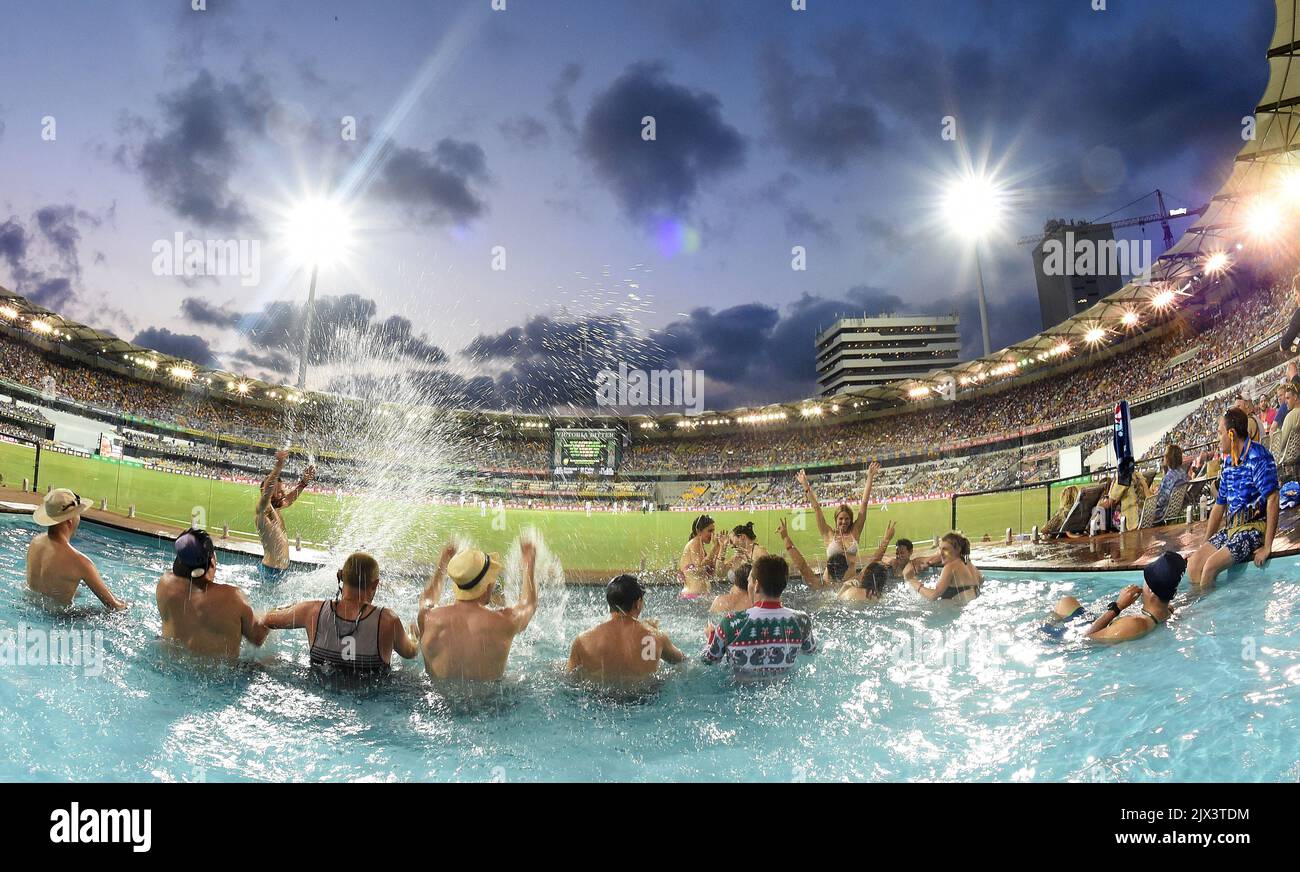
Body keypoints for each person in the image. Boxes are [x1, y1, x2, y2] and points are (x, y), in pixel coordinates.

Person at [263, 552, 419, 678]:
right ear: (375, 584)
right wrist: (413, 634)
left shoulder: (312, 611)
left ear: (341, 577)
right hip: (371, 700)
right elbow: (410, 653)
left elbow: (268, 620)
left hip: (320, 691)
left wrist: (289, 607)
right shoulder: (387, 620)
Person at [414, 542, 538, 681]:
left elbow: (428, 598)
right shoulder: (505, 621)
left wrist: (443, 561)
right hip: (490, 701)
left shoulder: (427, 617)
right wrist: (529, 562)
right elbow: (529, 604)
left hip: (435, 699)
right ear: (488, 585)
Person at [1187, 408, 1280, 589]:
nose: (1218, 438)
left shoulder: (1258, 456)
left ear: (1231, 434)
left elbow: (1273, 498)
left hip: (1254, 530)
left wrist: (1268, 546)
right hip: (1233, 529)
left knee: (1210, 568)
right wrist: (1205, 542)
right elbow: (1219, 506)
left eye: (1220, 433)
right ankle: (1202, 603)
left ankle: (1207, 612)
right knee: (1194, 564)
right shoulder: (1229, 462)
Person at [156, 528, 268, 659]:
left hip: (171, 662)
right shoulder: (232, 597)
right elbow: (257, 638)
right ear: (213, 561)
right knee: (270, 662)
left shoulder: (164, 584)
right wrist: (271, 617)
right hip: (220, 675)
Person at [703, 554, 817, 680]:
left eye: (749, 581)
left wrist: (711, 636)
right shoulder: (801, 620)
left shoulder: (731, 622)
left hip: (740, 693)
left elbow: (708, 661)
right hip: (783, 689)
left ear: (756, 585)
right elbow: (810, 652)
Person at [1041, 551, 1184, 643]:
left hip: (1074, 638)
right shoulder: (1168, 611)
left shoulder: (1135, 624)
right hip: (1097, 625)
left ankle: (1042, 627)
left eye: (1145, 581)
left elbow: (1086, 639)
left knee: (1053, 614)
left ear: (1151, 591)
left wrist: (1118, 606)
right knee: (1066, 601)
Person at [567, 574, 685, 682]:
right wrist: (652, 631)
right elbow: (681, 660)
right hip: (645, 700)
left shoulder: (583, 640)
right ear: (638, 603)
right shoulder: (656, 637)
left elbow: (570, 677)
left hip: (600, 699)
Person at [25, 488, 126, 610]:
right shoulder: (81, 562)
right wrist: (129, 605)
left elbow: (46, 589)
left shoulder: (35, 542)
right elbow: (113, 605)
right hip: (60, 619)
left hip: (29, 605)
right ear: (70, 519)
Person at [796, 461, 880, 580]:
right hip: (829, 587)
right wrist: (805, 485)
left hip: (849, 585)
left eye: (847, 519)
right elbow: (816, 509)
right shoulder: (828, 533)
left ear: (851, 520)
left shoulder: (855, 531)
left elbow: (864, 504)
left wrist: (870, 477)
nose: (844, 522)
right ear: (836, 519)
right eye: (841, 519)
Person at [256, 449, 315, 579]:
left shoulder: (275, 510)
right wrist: (278, 466)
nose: (283, 494)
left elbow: (289, 499)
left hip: (279, 571)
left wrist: (304, 483)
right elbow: (266, 492)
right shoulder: (264, 510)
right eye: (280, 491)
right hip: (271, 573)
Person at [903, 532, 981, 602]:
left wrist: (911, 580)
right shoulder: (972, 567)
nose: (940, 553)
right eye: (940, 549)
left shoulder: (950, 567)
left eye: (945, 549)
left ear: (957, 550)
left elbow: (933, 596)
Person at [679, 514, 721, 599]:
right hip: (693, 597)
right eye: (710, 531)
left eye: (714, 531)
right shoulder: (695, 542)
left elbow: (714, 569)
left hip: (697, 597)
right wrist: (715, 546)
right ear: (699, 531)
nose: (713, 534)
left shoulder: (700, 546)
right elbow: (700, 567)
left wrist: (720, 547)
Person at [1152, 444, 1189, 519]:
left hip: (1162, 512)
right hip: (1175, 509)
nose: (1163, 457)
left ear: (1169, 458)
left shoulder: (1168, 478)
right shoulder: (1183, 473)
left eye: (1165, 455)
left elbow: (1160, 501)